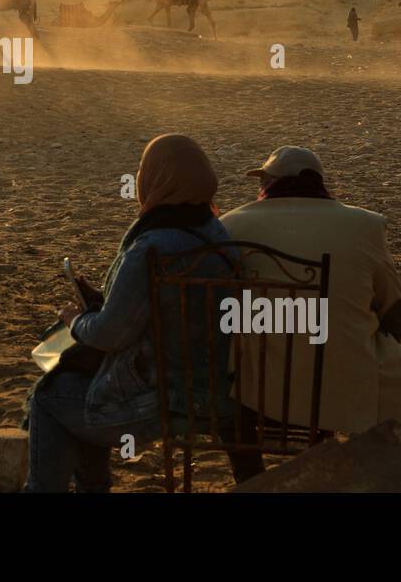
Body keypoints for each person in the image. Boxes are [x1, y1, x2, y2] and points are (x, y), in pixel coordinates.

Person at [23, 133, 253, 492]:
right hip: (215, 394)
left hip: (158, 402)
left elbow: (110, 334)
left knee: (49, 395)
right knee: (76, 389)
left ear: (155, 180)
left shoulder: (150, 247)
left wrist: (76, 320)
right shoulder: (218, 235)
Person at [218, 146, 401, 445]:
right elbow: (392, 308)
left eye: (263, 180)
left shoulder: (230, 225)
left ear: (271, 184)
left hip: (254, 393)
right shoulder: (365, 225)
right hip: (344, 392)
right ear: (317, 182)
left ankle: (248, 476)